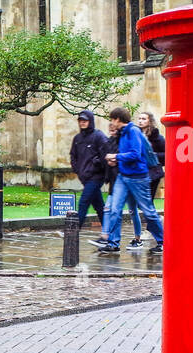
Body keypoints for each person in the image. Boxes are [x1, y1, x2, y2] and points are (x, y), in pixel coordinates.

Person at [94, 107, 163, 255]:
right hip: (123, 176)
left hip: (138, 178)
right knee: (114, 209)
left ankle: (163, 242)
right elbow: (125, 153)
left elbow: (135, 154)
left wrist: (116, 157)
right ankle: (110, 241)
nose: (112, 122)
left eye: (113, 119)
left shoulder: (133, 131)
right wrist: (116, 161)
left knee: (148, 212)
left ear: (118, 119)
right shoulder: (123, 133)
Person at [69, 110, 107, 229]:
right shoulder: (77, 138)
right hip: (85, 177)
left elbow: (106, 152)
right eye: (80, 121)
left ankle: (74, 230)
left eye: (85, 121)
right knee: (99, 206)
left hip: (96, 177)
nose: (82, 123)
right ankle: (108, 232)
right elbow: (73, 156)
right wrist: (78, 170)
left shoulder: (98, 136)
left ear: (90, 121)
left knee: (83, 202)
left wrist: (96, 164)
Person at [136, 110, 165, 204]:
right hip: (138, 172)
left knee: (147, 202)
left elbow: (167, 155)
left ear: (150, 121)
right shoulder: (135, 135)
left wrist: (152, 155)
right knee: (137, 202)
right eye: (139, 119)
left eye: (143, 119)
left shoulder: (157, 138)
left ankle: (155, 218)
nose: (140, 121)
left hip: (153, 174)